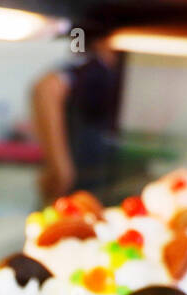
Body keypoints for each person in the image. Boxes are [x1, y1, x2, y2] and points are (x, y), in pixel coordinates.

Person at [31, 27, 125, 203]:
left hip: (101, 180)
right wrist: (60, 168)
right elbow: (45, 89)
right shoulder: (90, 65)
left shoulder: (118, 69)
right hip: (74, 184)